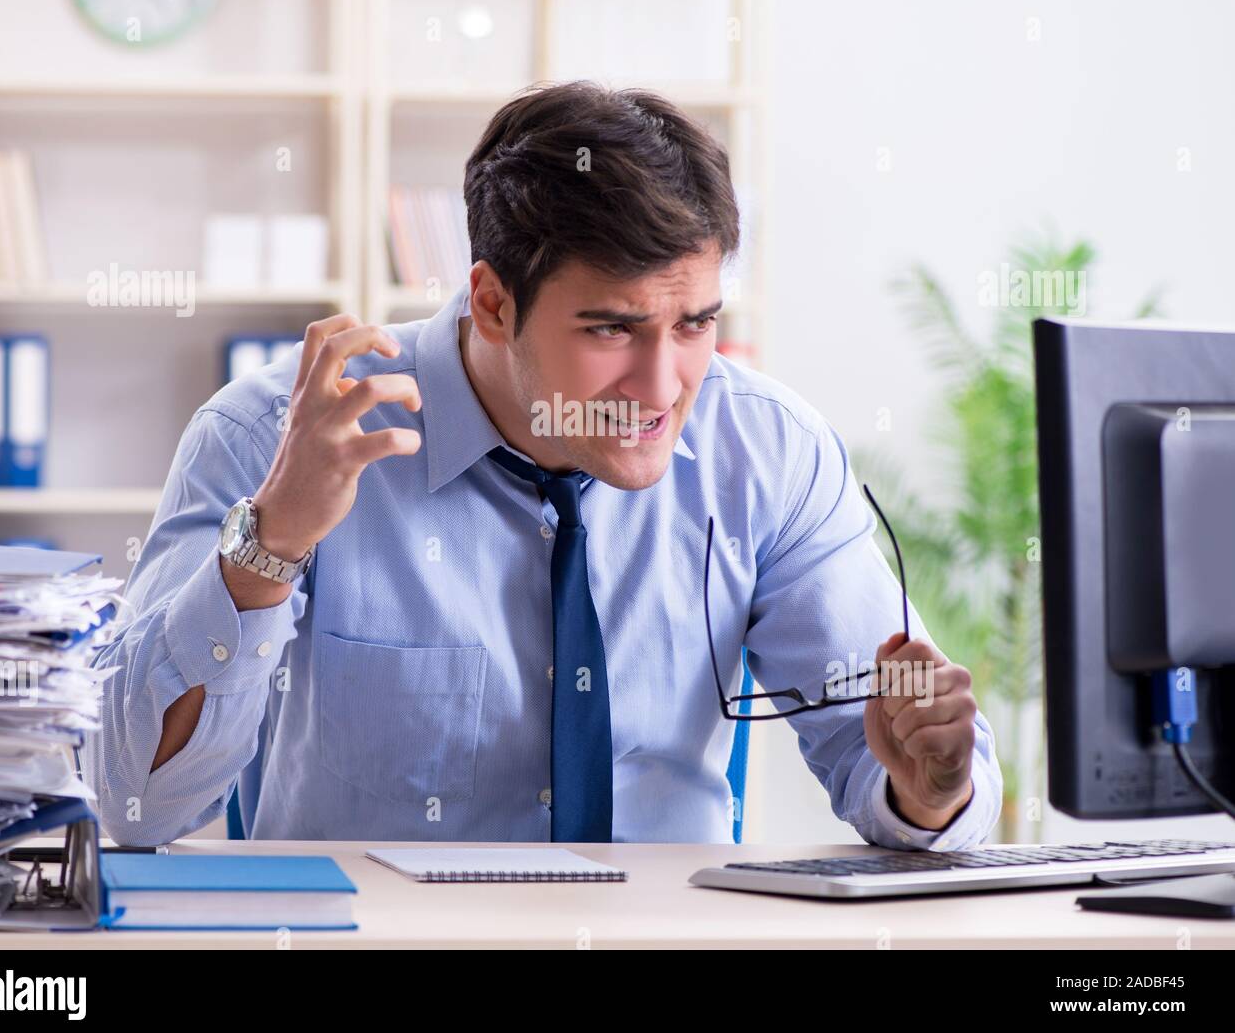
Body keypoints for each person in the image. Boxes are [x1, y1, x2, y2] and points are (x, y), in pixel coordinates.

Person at [83, 80, 1003, 847]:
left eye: (695, 324)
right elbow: (135, 805)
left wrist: (930, 788)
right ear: (490, 300)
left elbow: (897, 757)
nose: (664, 383)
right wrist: (269, 546)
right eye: (612, 328)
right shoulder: (273, 437)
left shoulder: (765, 451)